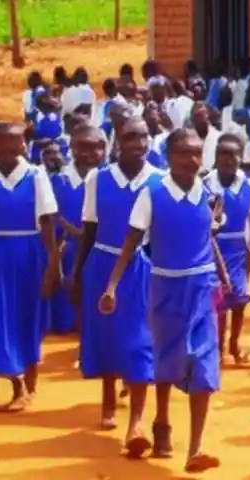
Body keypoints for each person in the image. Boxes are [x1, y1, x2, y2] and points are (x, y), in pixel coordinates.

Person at [100, 128, 227, 473]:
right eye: (185, 153)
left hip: (201, 288)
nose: (193, 160)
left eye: (198, 153)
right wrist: (112, 285)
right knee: (168, 361)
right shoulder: (151, 193)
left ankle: (197, 448)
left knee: (202, 362)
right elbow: (131, 241)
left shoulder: (211, 194)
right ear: (169, 156)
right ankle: (162, 424)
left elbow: (209, 237)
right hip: (165, 288)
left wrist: (223, 279)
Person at [73, 117, 162, 447]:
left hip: (141, 268)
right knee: (107, 336)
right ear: (117, 142)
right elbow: (90, 230)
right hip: (101, 263)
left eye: (142, 137)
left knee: (139, 340)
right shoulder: (98, 179)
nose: (137, 143)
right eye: (129, 137)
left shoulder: (158, 180)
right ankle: (108, 398)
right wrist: (79, 274)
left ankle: (136, 423)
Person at [0, 123, 60, 418]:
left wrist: (52, 265)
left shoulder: (36, 175)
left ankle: (28, 386)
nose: (13, 146)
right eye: (5, 141)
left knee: (27, 318)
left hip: (29, 253)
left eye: (17, 141)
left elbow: (48, 222)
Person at [205, 135, 250, 369]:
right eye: (224, 154)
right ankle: (218, 350)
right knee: (217, 301)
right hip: (213, 247)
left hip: (239, 249)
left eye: (234, 154)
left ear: (241, 158)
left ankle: (234, 344)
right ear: (216, 157)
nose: (229, 159)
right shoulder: (205, 184)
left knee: (239, 299)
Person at [48, 127, 106, 336]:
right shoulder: (58, 182)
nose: (89, 154)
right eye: (83, 148)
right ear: (72, 148)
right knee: (63, 323)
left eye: (96, 148)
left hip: (98, 249)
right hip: (67, 249)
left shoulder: (107, 179)